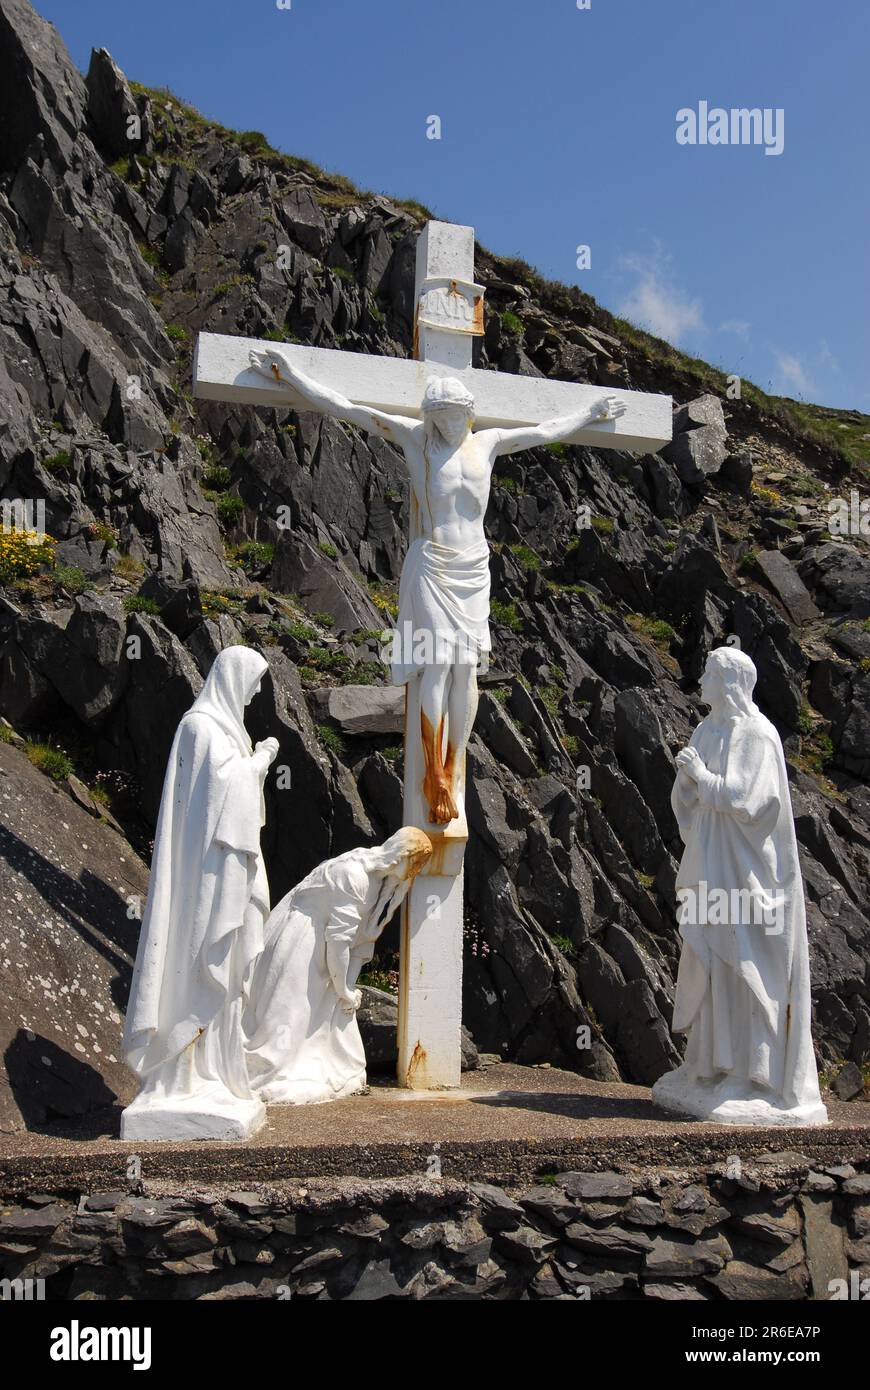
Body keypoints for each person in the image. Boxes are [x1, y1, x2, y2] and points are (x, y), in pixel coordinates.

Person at [249, 346, 624, 825]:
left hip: (473, 566)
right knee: (437, 667)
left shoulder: (487, 444)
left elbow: (544, 431)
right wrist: (293, 377)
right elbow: (349, 408)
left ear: (468, 413)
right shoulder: (415, 439)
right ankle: (434, 774)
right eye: (437, 415)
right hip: (432, 565)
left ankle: (452, 763)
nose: (443, 423)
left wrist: (590, 414)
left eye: (451, 415)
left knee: (467, 671)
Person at [652, 646, 827, 1126]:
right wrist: (687, 783)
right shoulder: (707, 729)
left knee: (746, 968)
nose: (701, 681)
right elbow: (689, 799)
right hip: (712, 865)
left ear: (729, 682)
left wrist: (699, 775)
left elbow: (751, 801)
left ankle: (754, 1075)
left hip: (747, 874)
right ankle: (707, 1065)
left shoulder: (758, 734)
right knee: (712, 963)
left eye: (708, 673)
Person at [121, 647, 279, 1140]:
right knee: (197, 967)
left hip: (229, 872)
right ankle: (180, 1075)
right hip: (205, 882)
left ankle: (213, 1074)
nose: (254, 694)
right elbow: (220, 802)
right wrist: (261, 761)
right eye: (252, 683)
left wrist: (252, 760)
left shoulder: (224, 729)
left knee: (226, 976)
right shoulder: (201, 727)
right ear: (232, 679)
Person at [244, 828, 432, 1105]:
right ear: (401, 854)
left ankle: (316, 1063)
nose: (416, 870)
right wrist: (343, 988)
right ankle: (272, 1072)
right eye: (416, 862)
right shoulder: (353, 873)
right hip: (303, 939)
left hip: (329, 947)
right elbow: (339, 941)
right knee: (290, 1012)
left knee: (322, 1017)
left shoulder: (382, 883)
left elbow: (361, 941)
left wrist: (345, 991)